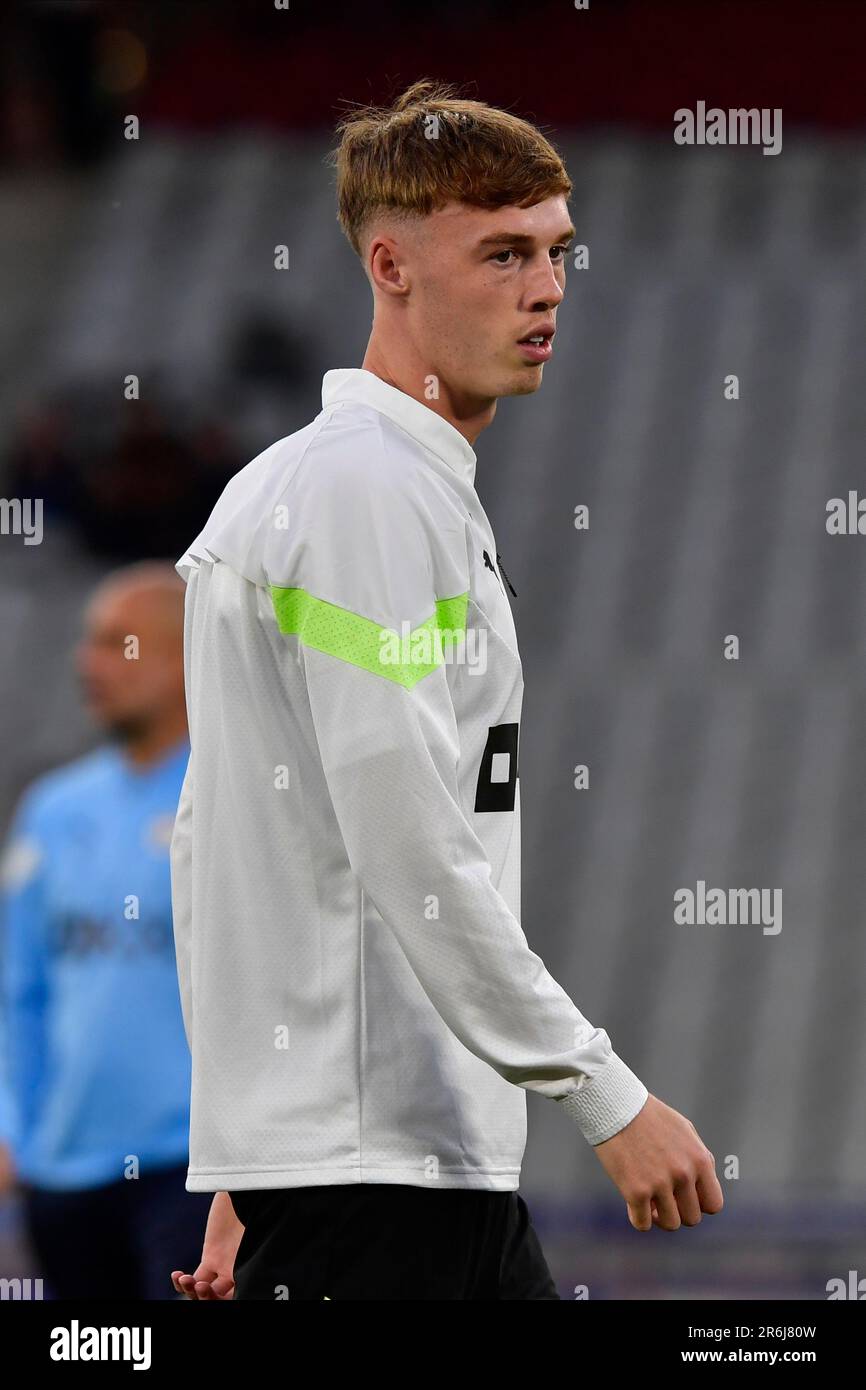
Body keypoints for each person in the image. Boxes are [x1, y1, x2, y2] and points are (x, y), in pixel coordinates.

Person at [170, 80, 723, 1303]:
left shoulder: (318, 483)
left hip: (369, 1162)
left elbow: (220, 832)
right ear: (390, 264)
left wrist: (250, 1149)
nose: (545, 290)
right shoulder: (370, 492)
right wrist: (600, 1088)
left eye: (558, 253)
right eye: (503, 252)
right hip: (387, 1184)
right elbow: (402, 829)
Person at [0, 562, 212, 1298]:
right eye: (87, 643)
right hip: (63, 1166)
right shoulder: (53, 810)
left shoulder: (236, 797)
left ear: (187, 658)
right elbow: (17, 991)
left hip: (192, 1168)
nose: (86, 663)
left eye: (115, 643)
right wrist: (9, 1121)